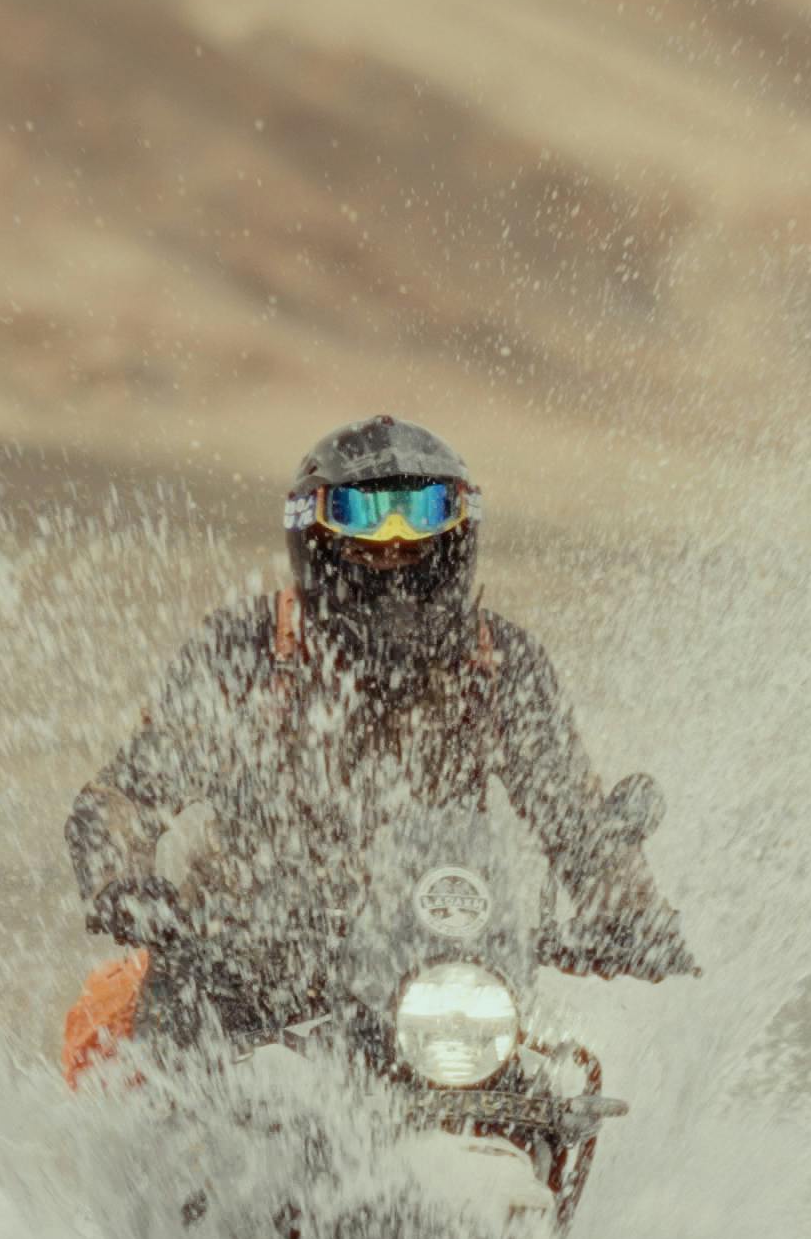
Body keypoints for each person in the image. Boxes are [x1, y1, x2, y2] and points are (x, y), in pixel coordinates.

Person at [65, 417, 695, 1054]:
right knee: (182, 1056)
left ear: (456, 537)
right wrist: (124, 884)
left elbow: (575, 817)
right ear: (316, 539)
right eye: (367, 532)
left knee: (557, 1085)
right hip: (241, 973)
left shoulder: (501, 664)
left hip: (432, 976)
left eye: (418, 527)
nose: (394, 545)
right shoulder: (244, 653)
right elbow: (122, 799)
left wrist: (632, 914)